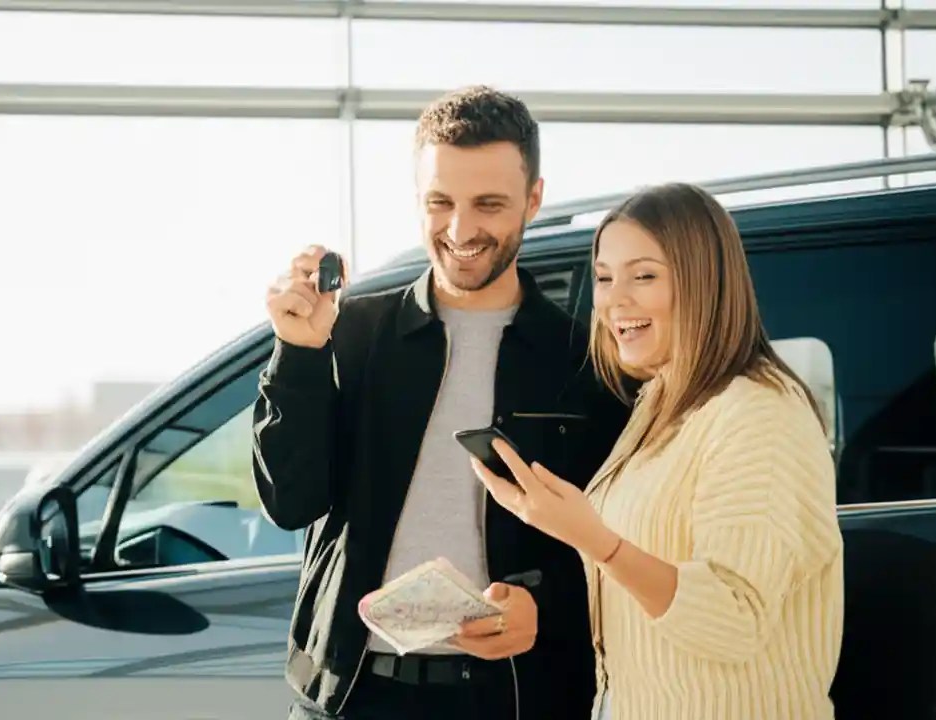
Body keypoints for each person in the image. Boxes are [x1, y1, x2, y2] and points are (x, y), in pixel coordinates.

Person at [253, 85, 630, 720]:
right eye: (440, 202)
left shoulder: (586, 361)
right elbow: (291, 503)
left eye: (488, 204)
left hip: (511, 697)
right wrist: (297, 355)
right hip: (352, 695)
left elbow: (623, 544)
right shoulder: (351, 335)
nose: (460, 230)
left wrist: (548, 606)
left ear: (533, 199)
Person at [473, 182, 845, 720]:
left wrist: (592, 538)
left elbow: (734, 617)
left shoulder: (758, 413)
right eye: (604, 278)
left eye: (643, 276)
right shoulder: (660, 405)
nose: (614, 300)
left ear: (703, 283)